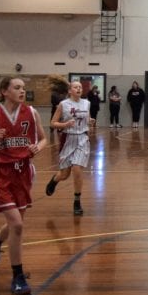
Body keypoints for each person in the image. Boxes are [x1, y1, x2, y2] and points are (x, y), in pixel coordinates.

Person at [0, 76, 47, 295]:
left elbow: (43, 139)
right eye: (17, 87)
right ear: (5, 91)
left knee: (17, 223)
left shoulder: (31, 113)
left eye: (23, 88)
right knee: (18, 225)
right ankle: (18, 277)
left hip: (23, 172)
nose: (22, 91)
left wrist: (38, 148)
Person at [45, 80, 94, 216]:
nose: (78, 89)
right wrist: (65, 124)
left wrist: (90, 120)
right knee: (65, 174)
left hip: (82, 139)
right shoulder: (63, 104)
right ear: (69, 90)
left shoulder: (86, 103)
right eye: (75, 87)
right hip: (68, 139)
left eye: (80, 87)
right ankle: (54, 180)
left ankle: (77, 201)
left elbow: (87, 118)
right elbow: (53, 123)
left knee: (77, 169)